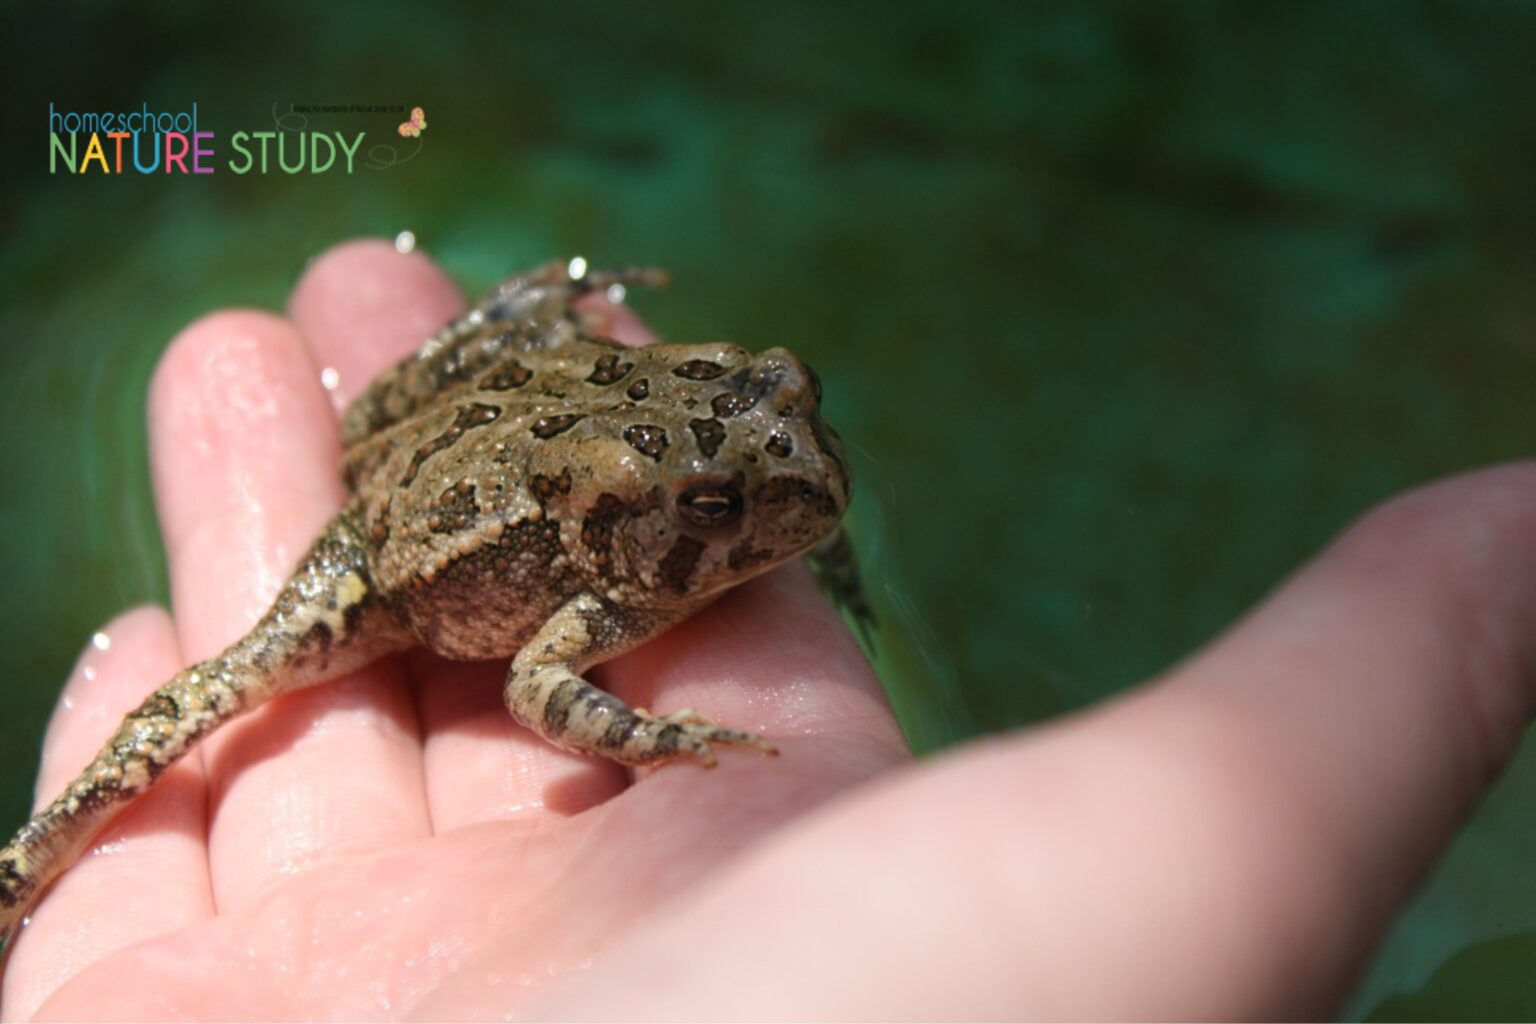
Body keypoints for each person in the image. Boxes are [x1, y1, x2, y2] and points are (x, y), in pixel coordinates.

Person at [6, 239, 1533, 1020]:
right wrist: (660, 737)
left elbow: (769, 490)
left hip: (535, 449)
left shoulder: (723, 493)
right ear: (667, 521)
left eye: (789, 425)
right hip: (407, 554)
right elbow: (543, 679)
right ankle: (36, 858)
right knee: (214, 700)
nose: (804, 491)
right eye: (731, 503)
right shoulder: (599, 586)